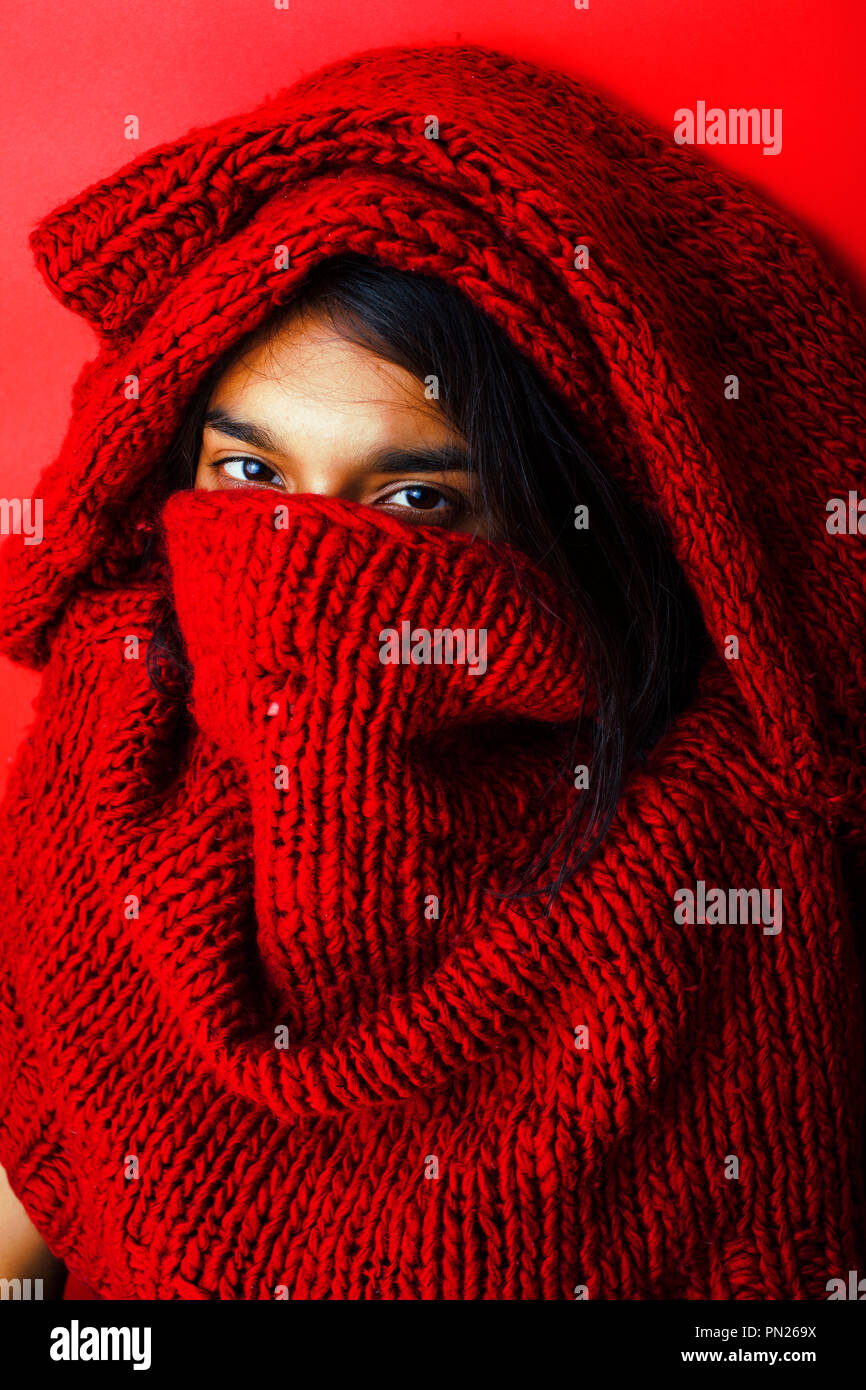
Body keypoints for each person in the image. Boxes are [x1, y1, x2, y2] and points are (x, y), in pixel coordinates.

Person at [0, 42, 863, 1301]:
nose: (308, 560)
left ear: (562, 513)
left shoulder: (724, 868)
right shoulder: (111, 728)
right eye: (250, 475)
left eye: (413, 497)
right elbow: (34, 1185)